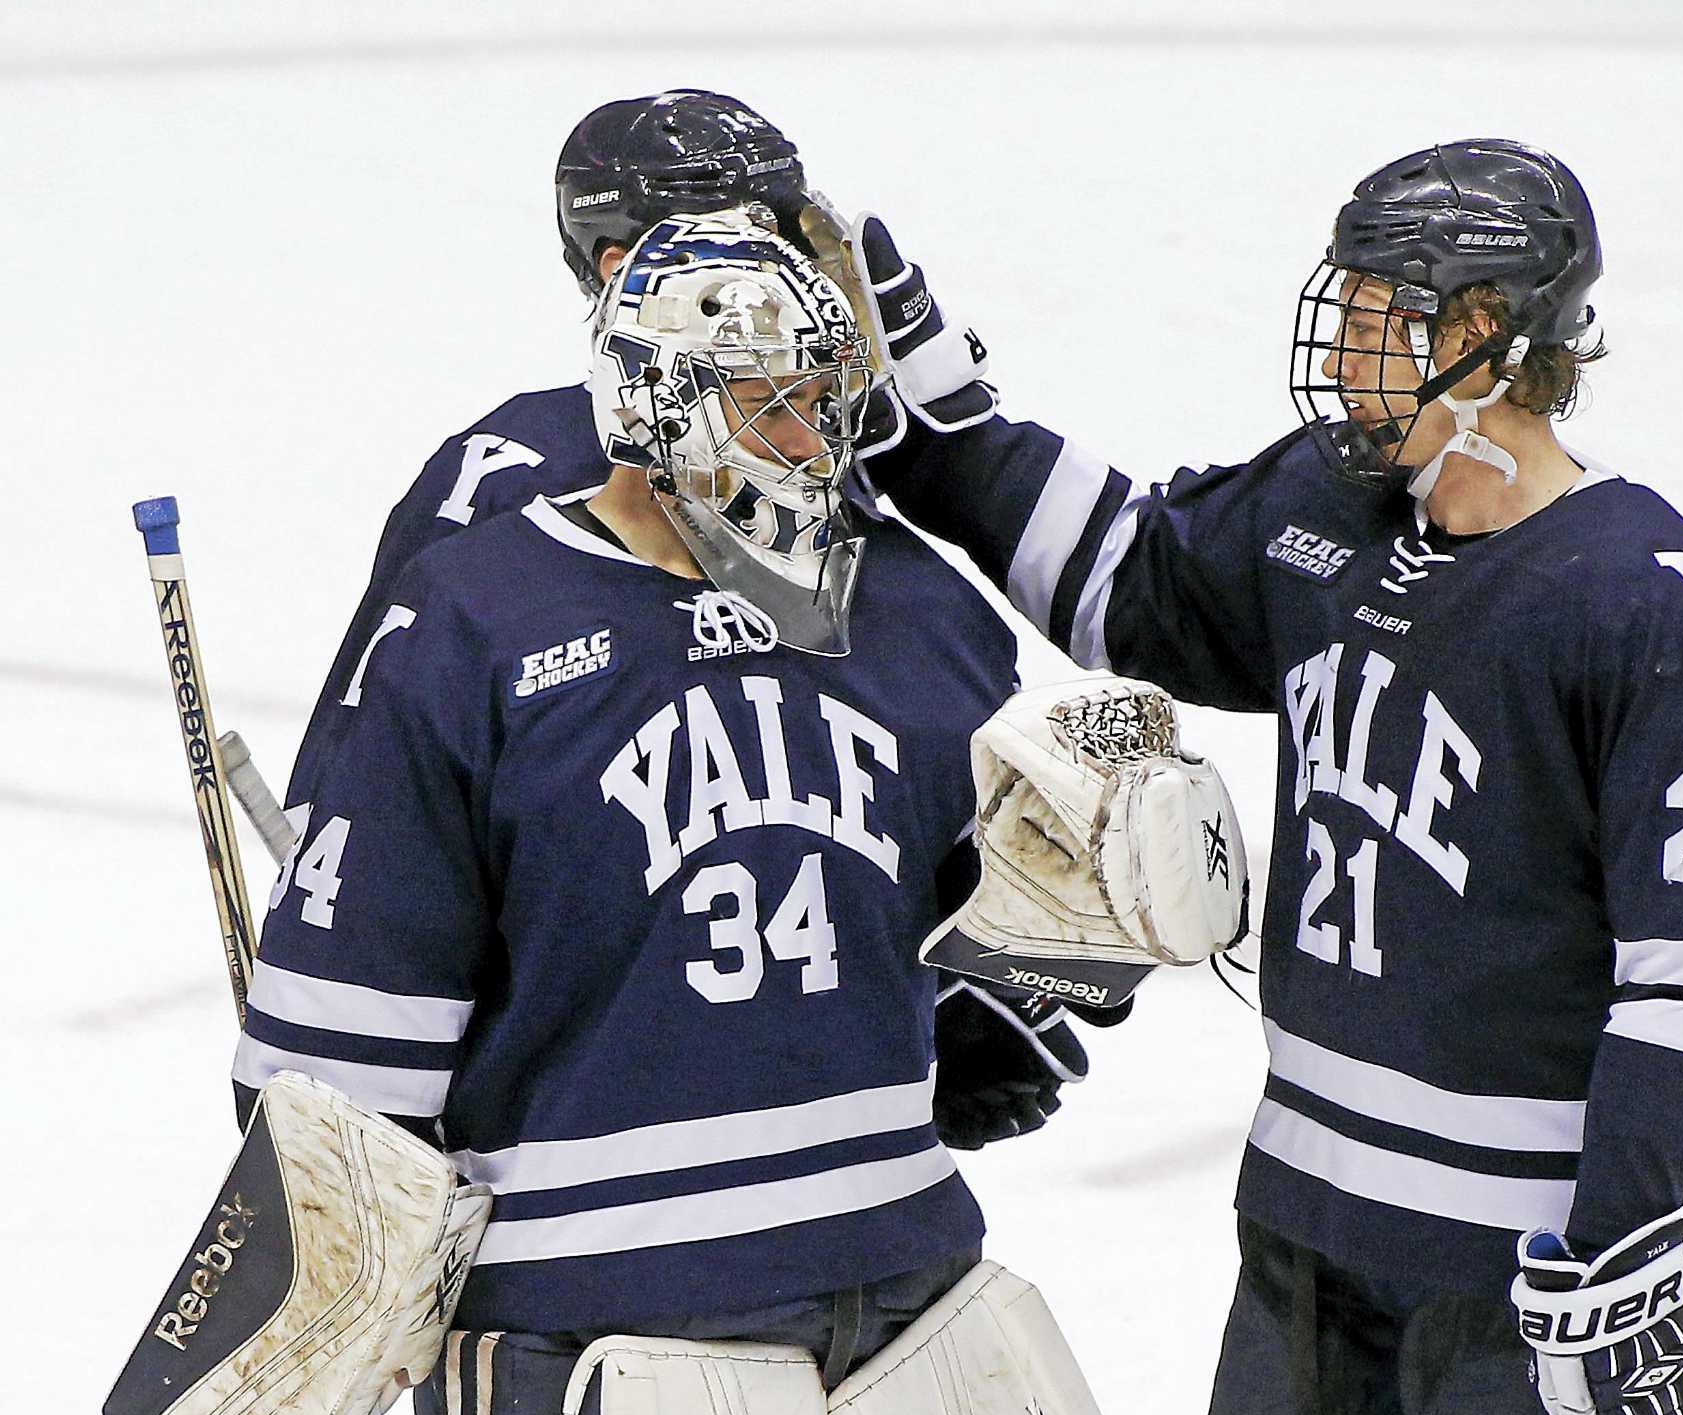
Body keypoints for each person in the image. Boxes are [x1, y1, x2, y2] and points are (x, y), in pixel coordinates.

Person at [848, 140, 1683, 1415]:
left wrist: (1619, 1256)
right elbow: (1128, 577)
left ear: (1485, 336)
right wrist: (941, 421)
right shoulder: (1331, 515)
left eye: (1373, 315)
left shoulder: (1644, 598)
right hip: (1301, 1244)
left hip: (1512, 1293)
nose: (1343, 348)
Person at [234, 209, 1136, 1415]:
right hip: (599, 1328)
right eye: (770, 403)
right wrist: (326, 1370)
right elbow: (338, 1073)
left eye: (826, 401)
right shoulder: (477, 624)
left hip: (903, 1295)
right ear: (658, 405)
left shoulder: (906, 602)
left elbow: (1008, 905)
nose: (810, 441)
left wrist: (1057, 954)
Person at [276, 87, 1094, 1157]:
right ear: (621, 267)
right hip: (574, 1126)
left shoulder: (806, 443)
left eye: (791, 228)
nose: (793, 269)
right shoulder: (503, 487)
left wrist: (978, 987)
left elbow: (893, 759)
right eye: (750, 235)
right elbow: (369, 809)